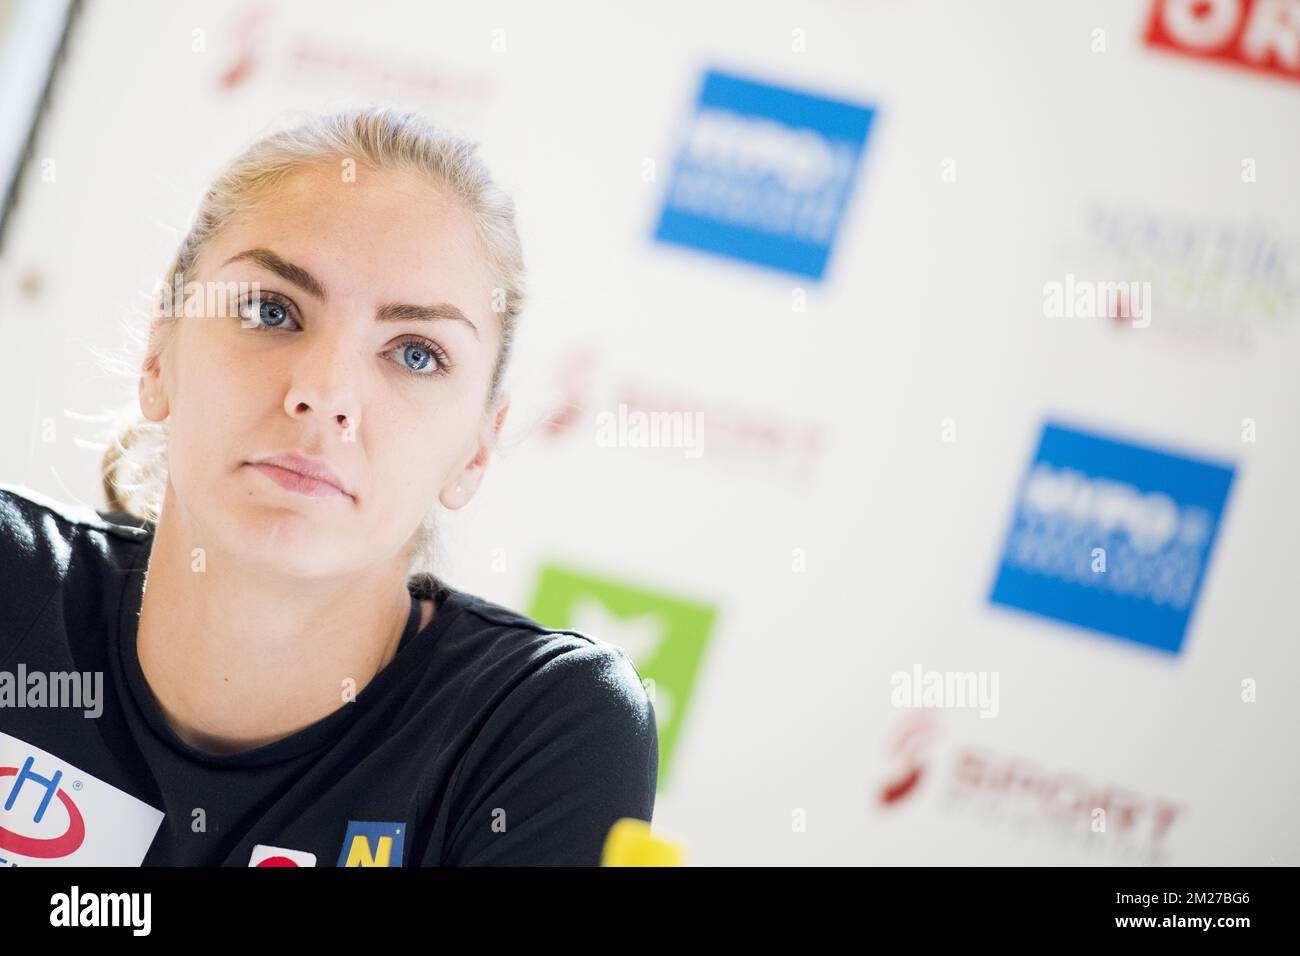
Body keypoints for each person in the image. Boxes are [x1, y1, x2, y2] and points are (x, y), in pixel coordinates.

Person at [0, 106, 658, 867]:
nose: (325, 391)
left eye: (415, 354)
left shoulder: (535, 726)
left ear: (475, 451)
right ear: (159, 355)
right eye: (270, 310)